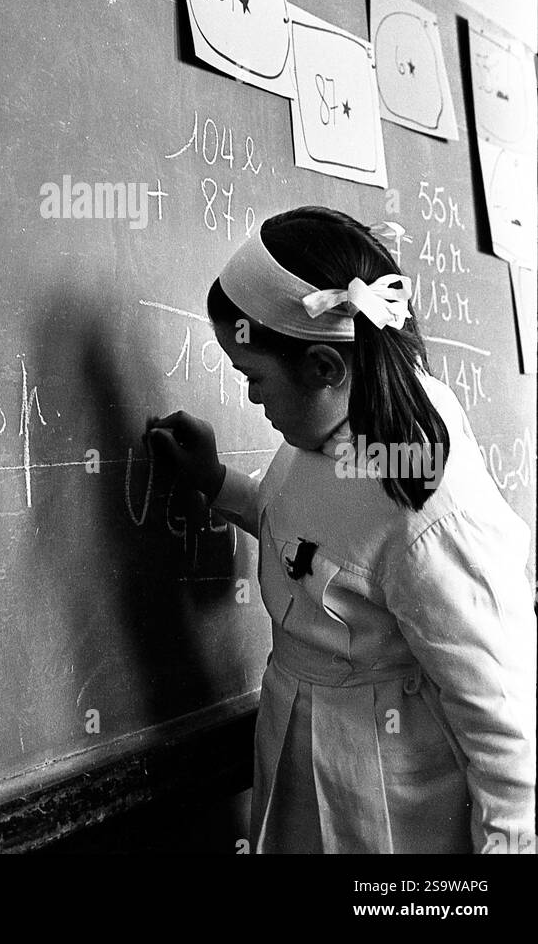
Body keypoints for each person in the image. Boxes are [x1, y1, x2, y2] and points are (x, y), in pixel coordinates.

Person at [146, 206, 535, 854]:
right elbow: (313, 547)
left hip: (386, 800)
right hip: (304, 747)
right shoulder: (334, 422)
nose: (248, 398)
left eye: (253, 378)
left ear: (324, 368)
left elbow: (504, 724)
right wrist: (215, 484)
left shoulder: (428, 508)